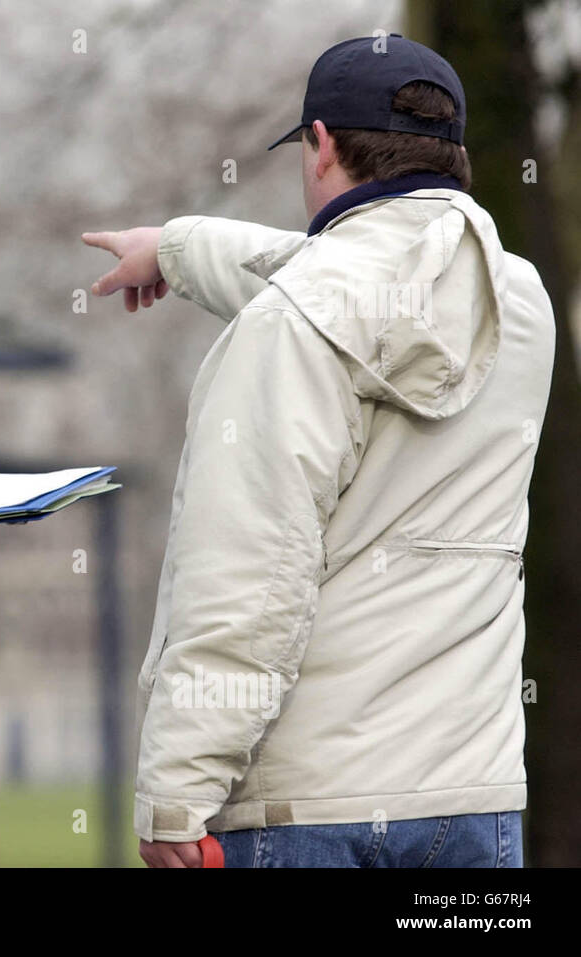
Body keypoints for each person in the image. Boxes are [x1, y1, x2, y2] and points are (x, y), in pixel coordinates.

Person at [84, 34, 553, 868]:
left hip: (309, 813)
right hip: (477, 809)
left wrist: (177, 794)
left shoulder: (291, 324)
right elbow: (365, 292)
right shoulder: (520, 303)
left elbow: (246, 577)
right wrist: (185, 248)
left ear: (322, 143)